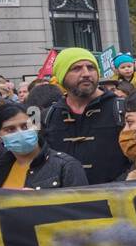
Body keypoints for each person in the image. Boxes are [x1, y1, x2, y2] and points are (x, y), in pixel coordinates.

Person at [41, 47, 130, 185]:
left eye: (91, 67)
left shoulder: (125, 109)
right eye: (76, 68)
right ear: (61, 75)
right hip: (67, 202)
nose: (86, 73)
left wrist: (118, 186)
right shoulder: (47, 116)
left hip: (116, 200)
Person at [0, 102, 86, 189]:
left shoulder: (66, 166)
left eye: (25, 126)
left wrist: (38, 202)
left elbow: (80, 208)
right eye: (10, 129)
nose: (20, 133)